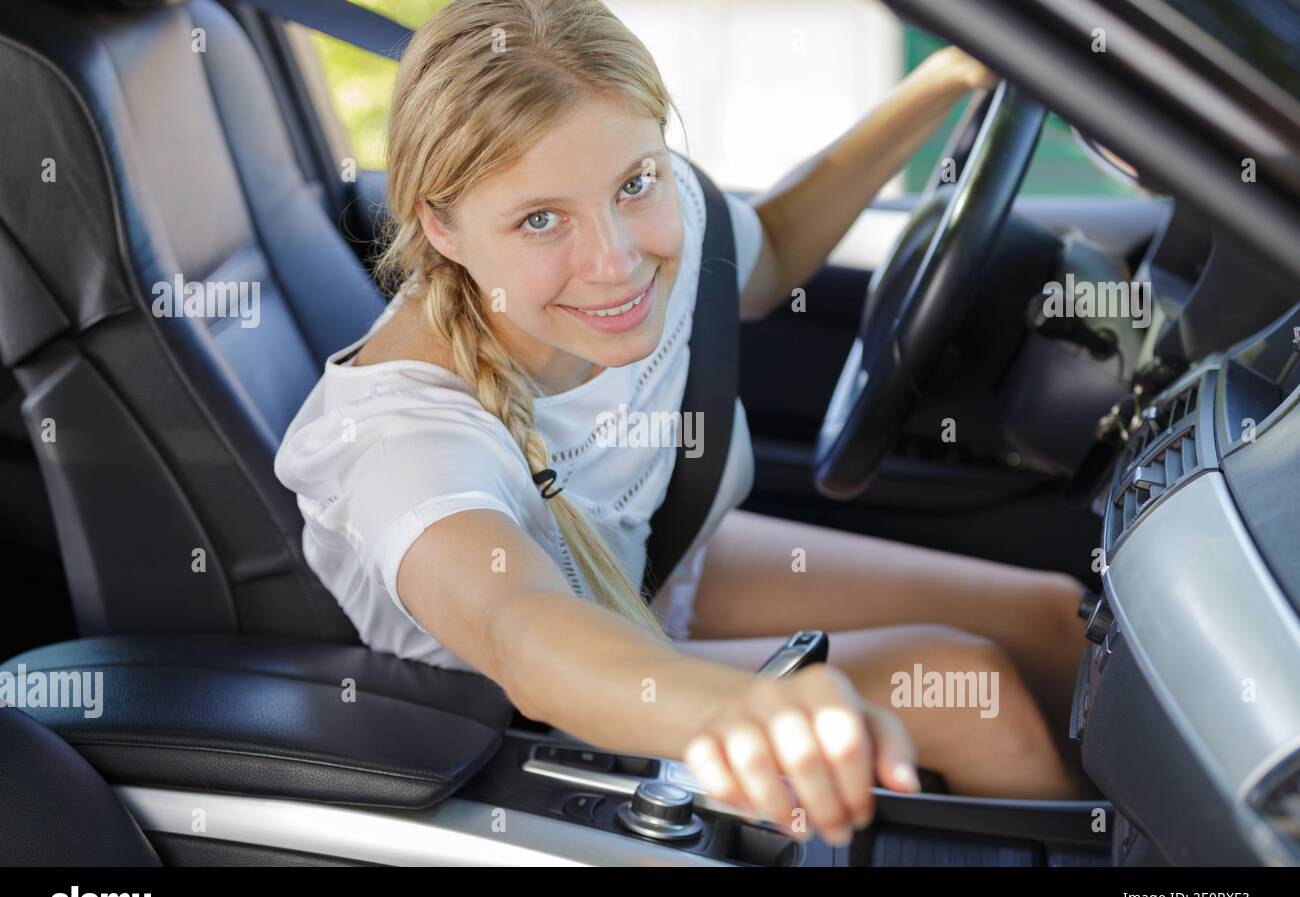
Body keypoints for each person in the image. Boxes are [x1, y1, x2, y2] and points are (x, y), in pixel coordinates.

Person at [274, 0, 1092, 849]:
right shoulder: (403, 444)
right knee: (970, 693)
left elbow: (767, 251)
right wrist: (739, 712)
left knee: (1055, 619)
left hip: (666, 580)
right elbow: (524, 633)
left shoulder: (662, 224)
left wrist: (950, 75)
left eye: (636, 181)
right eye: (540, 219)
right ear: (440, 224)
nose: (617, 260)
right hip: (549, 729)